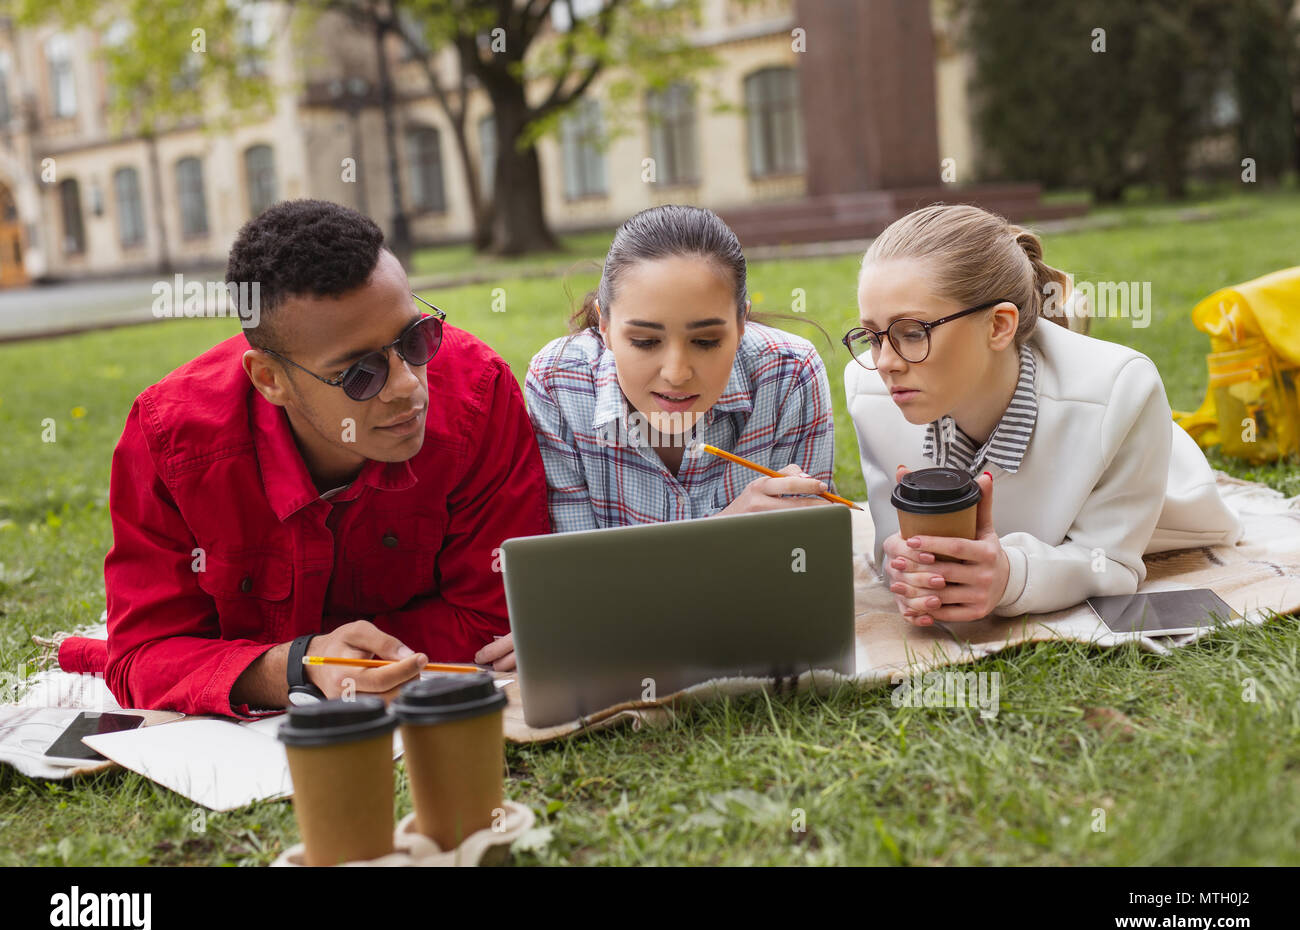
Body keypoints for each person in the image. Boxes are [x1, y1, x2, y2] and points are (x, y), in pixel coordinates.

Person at [92, 199, 550, 716]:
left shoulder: (477, 394)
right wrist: (299, 665)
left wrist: (330, 662)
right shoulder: (171, 437)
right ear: (271, 379)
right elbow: (143, 655)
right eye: (360, 373)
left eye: (416, 339)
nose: (407, 387)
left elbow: (496, 620)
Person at [472, 203, 838, 672]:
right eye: (645, 342)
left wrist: (602, 618)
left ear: (742, 322)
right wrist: (727, 541)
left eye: (706, 341)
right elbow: (578, 587)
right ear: (603, 325)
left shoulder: (790, 373)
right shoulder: (559, 381)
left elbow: (797, 587)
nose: (676, 373)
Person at [843, 203, 1243, 627]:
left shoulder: (1125, 390)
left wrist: (1011, 578)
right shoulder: (869, 392)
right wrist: (908, 568)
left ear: (998, 325)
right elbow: (894, 546)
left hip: (1160, 483)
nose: (885, 362)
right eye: (872, 336)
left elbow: (1110, 561)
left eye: (912, 332)